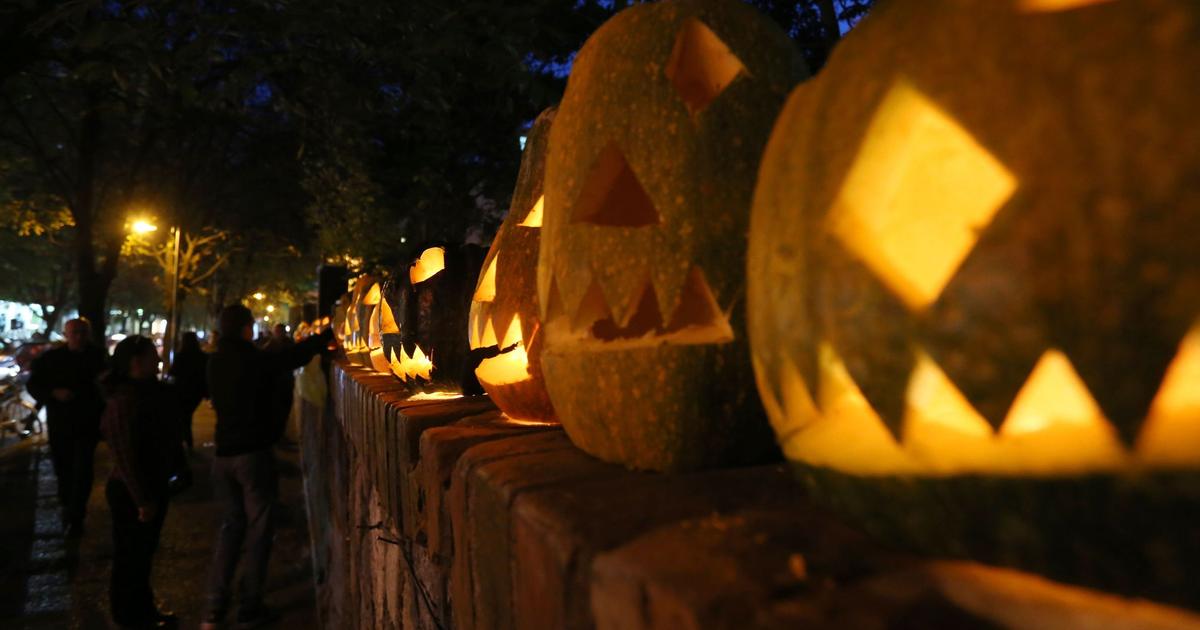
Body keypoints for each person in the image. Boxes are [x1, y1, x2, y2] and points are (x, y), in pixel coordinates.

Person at [201, 305, 331, 629]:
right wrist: (321, 340)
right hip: (252, 455)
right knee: (260, 531)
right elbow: (286, 361)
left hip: (223, 455)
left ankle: (215, 607)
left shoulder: (215, 362)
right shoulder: (251, 360)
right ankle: (250, 604)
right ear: (246, 328)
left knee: (231, 529)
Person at [101, 335, 184, 628]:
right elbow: (124, 456)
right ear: (137, 363)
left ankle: (143, 612)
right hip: (132, 492)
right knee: (131, 558)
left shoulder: (145, 393)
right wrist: (141, 500)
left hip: (148, 486)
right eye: (153, 356)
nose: (159, 360)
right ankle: (130, 617)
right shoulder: (125, 399)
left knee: (142, 557)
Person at [27, 318, 108, 538]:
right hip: (61, 424)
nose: (79, 337)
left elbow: (109, 382)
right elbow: (34, 384)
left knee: (83, 469)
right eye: (75, 333)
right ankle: (68, 505)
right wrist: (53, 393)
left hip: (87, 423)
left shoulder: (98, 356)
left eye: (83, 332)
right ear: (66, 334)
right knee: (64, 468)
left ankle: (76, 514)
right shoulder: (52, 359)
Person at [167, 331, 208, 451]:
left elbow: (173, 372)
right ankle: (187, 441)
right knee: (186, 416)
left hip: (182, 390)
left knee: (183, 416)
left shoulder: (181, 355)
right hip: (197, 392)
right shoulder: (202, 356)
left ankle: (183, 441)